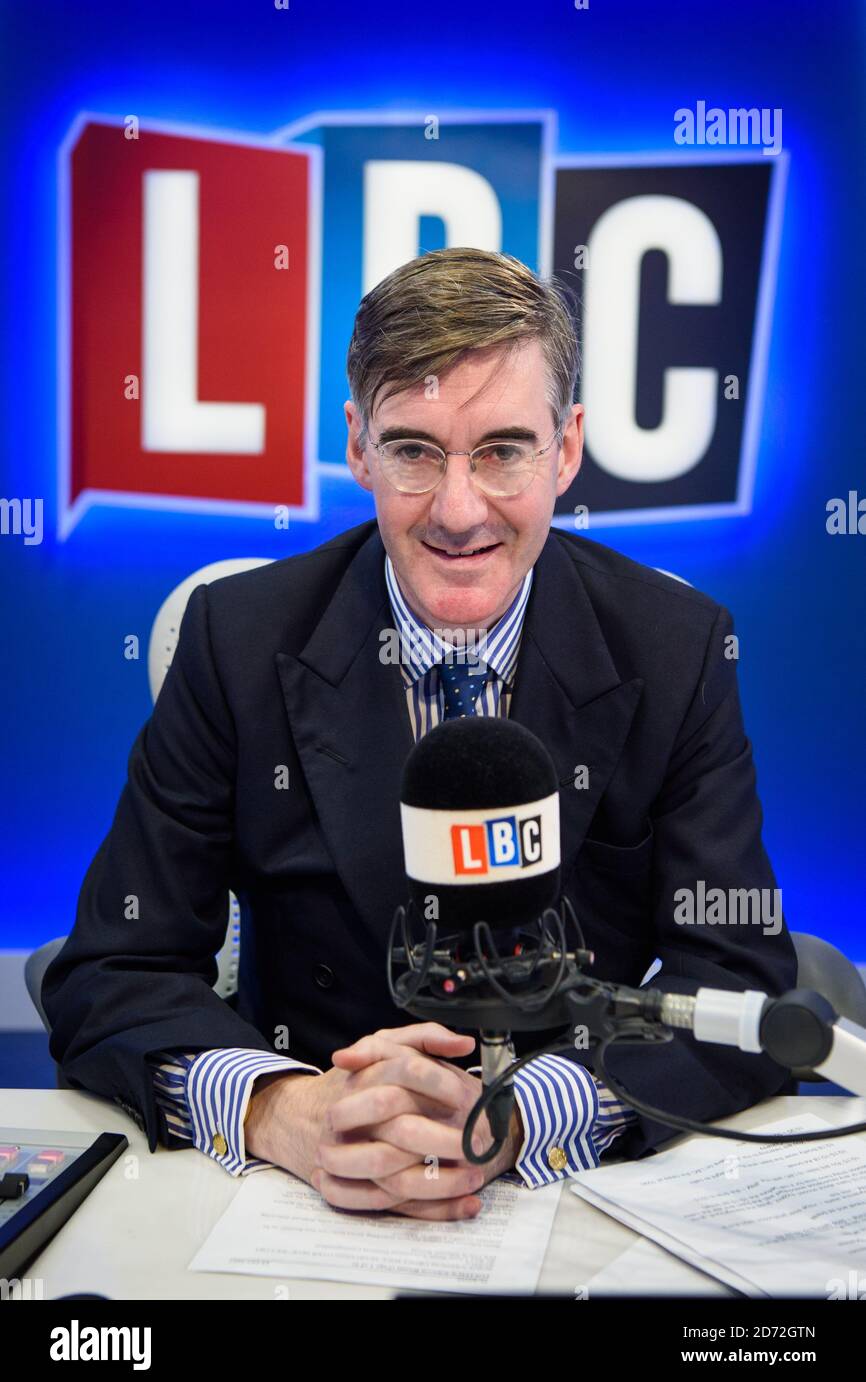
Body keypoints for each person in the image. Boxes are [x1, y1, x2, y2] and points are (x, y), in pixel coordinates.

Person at [43, 247, 797, 1223]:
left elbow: (735, 974)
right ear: (356, 446)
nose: (456, 509)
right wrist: (279, 1107)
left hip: (569, 1200)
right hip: (302, 1205)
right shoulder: (235, 639)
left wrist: (527, 1115)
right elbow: (113, 969)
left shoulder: (678, 648)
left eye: (501, 450)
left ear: (564, 449)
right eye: (413, 449)